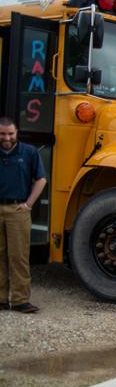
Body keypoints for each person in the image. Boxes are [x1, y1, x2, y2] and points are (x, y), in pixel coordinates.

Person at [0, 117, 47, 314]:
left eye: (10, 133)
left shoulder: (29, 152)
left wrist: (29, 204)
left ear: (17, 132)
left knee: (18, 256)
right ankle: (1, 299)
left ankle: (20, 300)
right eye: (2, 134)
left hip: (18, 210)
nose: (7, 138)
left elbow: (41, 179)